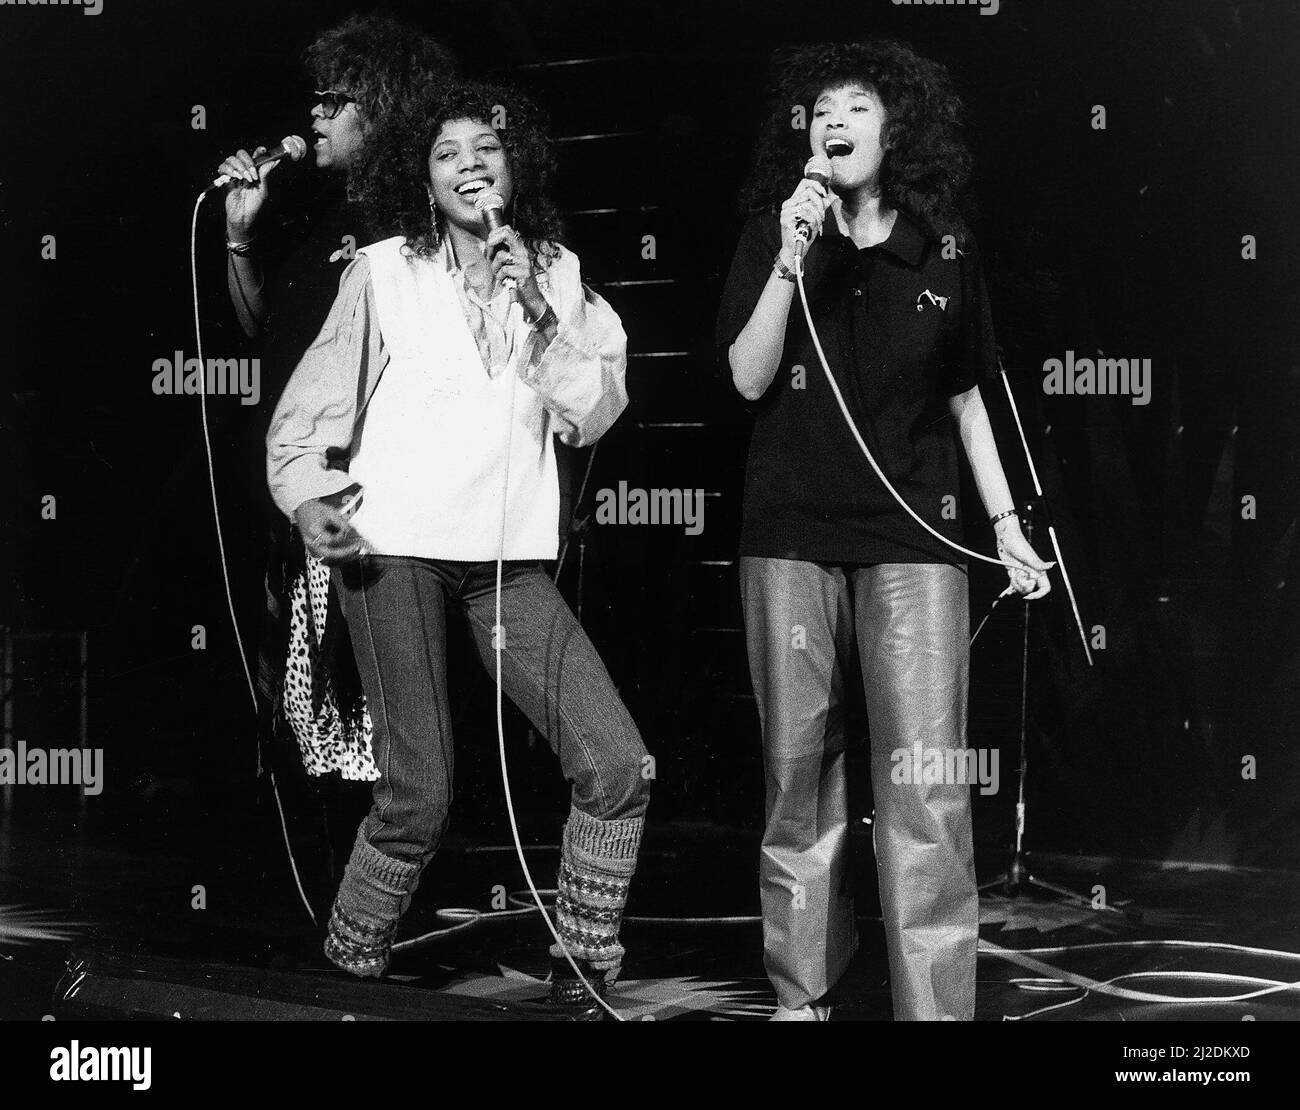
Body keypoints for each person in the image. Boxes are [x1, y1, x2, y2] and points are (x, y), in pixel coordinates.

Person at [266, 79, 649, 1010]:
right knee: (418, 794)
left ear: (519, 165)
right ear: (420, 179)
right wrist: (309, 495)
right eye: (446, 154)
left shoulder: (556, 274)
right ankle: (348, 969)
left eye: (487, 147)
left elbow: (595, 414)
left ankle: (583, 965)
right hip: (390, 550)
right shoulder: (386, 268)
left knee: (616, 762)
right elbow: (315, 401)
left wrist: (542, 312)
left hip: (504, 563)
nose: (470, 164)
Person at [716, 38, 1054, 1021]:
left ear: (893, 126)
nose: (836, 121)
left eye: (857, 105)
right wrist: (788, 256)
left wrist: (1005, 525)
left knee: (924, 787)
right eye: (821, 108)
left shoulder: (940, 245)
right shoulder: (771, 235)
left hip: (916, 539)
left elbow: (966, 400)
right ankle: (801, 995)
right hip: (789, 532)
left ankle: (933, 1009)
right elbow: (743, 377)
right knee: (795, 778)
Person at [212, 15, 457, 808]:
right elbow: (262, 329)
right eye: (315, 99)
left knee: (363, 724)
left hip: (363, 507)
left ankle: (375, 897)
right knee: (305, 713)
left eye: (334, 99)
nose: (313, 114)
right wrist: (242, 241)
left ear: (382, 109)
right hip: (296, 498)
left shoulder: (413, 228)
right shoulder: (319, 219)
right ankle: (330, 899)